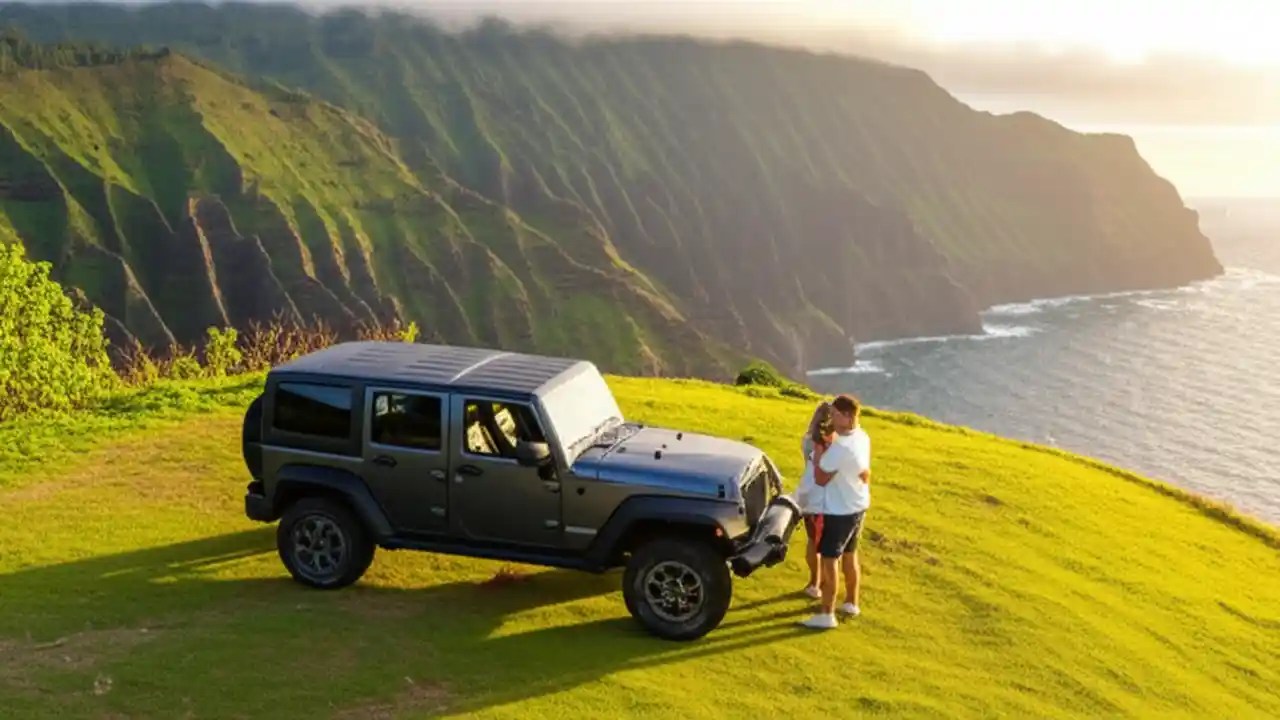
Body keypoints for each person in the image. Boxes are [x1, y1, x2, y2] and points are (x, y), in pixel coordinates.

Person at [800, 393, 871, 630]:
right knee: (850, 556)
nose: (831, 417)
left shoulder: (840, 447)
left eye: (836, 414)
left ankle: (826, 614)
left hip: (839, 511)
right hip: (858, 506)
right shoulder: (862, 436)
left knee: (830, 561)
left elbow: (820, 478)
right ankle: (851, 602)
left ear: (848, 416)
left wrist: (820, 449)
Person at [795, 402, 835, 598]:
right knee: (827, 543)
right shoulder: (832, 445)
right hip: (825, 499)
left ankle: (814, 580)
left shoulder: (807, 441)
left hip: (808, 495)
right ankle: (822, 583)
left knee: (812, 540)